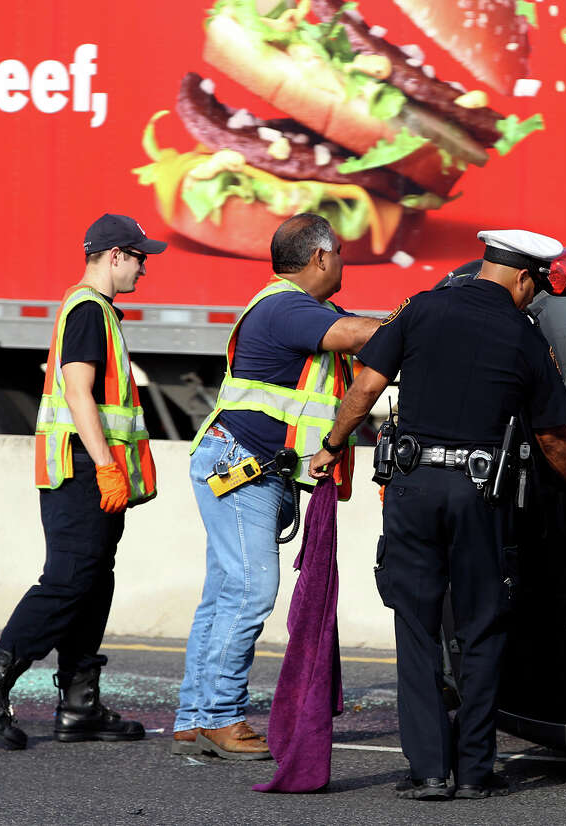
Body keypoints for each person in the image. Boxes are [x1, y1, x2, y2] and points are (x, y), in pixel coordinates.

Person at [308, 229, 566, 800]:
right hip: (478, 495)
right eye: (534, 286)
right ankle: (473, 772)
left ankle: (427, 772)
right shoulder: (524, 337)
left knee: (416, 624)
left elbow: (365, 388)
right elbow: (553, 436)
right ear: (523, 278)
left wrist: (331, 447)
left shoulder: (420, 308)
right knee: (481, 626)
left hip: (412, 487)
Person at [0, 214, 165, 750]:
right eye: (140, 258)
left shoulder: (100, 312)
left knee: (93, 580)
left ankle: (78, 704)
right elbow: (78, 393)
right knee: (69, 580)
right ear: (115, 255)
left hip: (90, 468)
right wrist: (107, 465)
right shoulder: (89, 310)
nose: (144, 268)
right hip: (83, 468)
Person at [173, 213, 380, 760]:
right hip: (242, 466)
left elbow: (358, 334)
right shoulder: (286, 305)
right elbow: (362, 334)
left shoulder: (295, 307)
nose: (342, 260)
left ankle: (195, 718)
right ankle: (219, 717)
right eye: (338, 250)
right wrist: (431, 322)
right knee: (248, 591)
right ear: (319, 258)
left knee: (223, 592)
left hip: (238, 462)